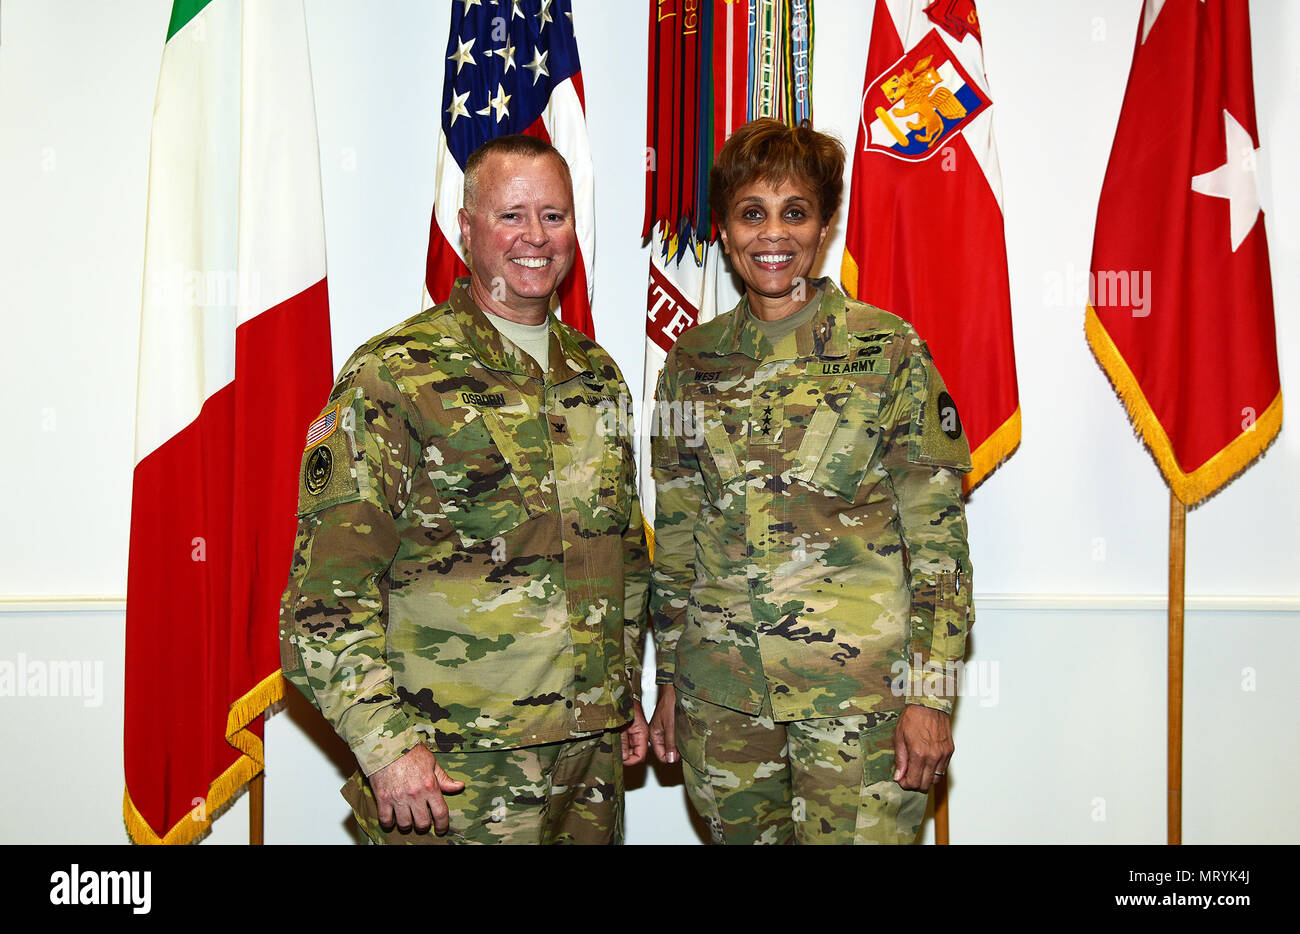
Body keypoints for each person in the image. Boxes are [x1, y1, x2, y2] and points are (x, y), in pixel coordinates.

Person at [280, 134, 648, 845]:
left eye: (555, 215)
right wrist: (385, 747)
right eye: (511, 215)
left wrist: (620, 688)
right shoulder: (395, 373)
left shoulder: (597, 376)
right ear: (466, 227)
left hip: (588, 762)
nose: (536, 237)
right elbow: (323, 601)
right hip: (453, 771)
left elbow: (622, 555)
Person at [646, 118, 974, 845]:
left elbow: (940, 547)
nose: (774, 234)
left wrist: (934, 695)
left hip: (861, 707)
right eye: (751, 213)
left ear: (824, 226)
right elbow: (674, 541)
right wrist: (671, 678)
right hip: (724, 701)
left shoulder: (887, 351)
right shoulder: (690, 364)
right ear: (726, 231)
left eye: (795, 212)